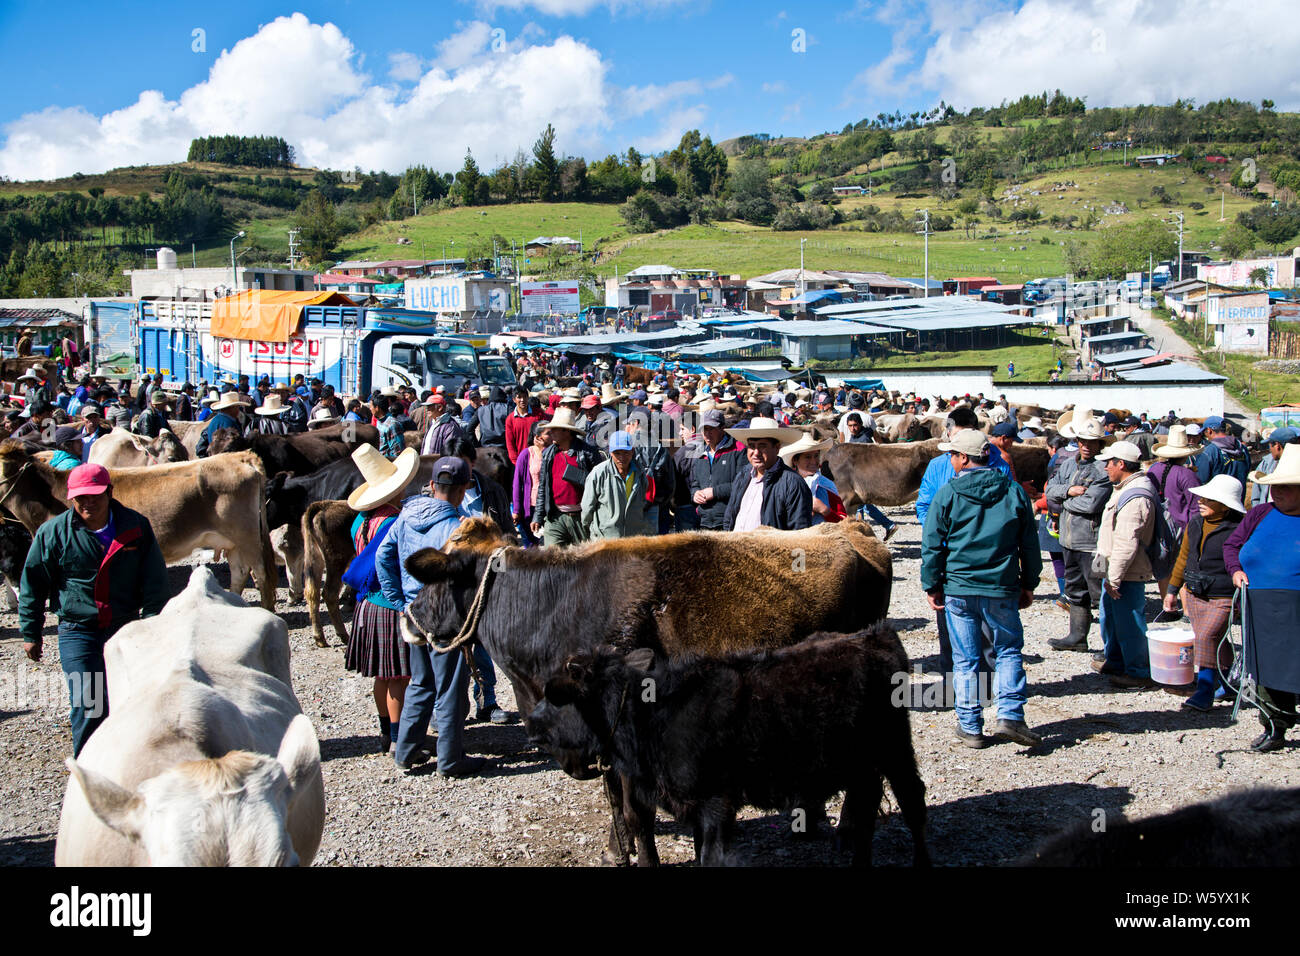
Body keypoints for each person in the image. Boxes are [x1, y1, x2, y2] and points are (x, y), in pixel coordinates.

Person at [18, 463, 169, 755]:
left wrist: (154, 627)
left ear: (110, 493)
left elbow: (155, 582)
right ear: (71, 498)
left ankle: (127, 762)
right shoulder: (53, 533)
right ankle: (88, 770)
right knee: (89, 702)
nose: (88, 502)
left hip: (125, 626)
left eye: (95, 495)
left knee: (130, 698)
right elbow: (33, 582)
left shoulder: (135, 526)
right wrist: (30, 631)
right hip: (77, 629)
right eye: (80, 497)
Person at [920, 429, 1042, 748]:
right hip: (1001, 586)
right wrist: (1029, 583)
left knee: (966, 659)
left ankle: (971, 726)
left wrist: (932, 585)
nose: (950, 460)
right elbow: (1029, 544)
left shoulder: (948, 494)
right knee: (1008, 649)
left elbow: (932, 545)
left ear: (963, 458)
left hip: (958, 588)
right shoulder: (1013, 492)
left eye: (952, 455)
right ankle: (1011, 716)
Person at [376, 457, 485, 777]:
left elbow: (384, 556)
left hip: (414, 613)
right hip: (445, 617)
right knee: (451, 686)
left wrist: (399, 599)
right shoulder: (460, 530)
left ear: (433, 485)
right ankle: (450, 760)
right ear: (465, 488)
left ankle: (406, 751)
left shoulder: (406, 516)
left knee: (421, 682)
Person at [343, 444, 421, 753]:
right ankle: (399, 738)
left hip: (366, 603)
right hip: (388, 604)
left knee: (381, 675)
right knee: (398, 678)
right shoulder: (392, 522)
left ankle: (384, 732)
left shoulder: (359, 521)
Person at [1223, 444, 1300, 752]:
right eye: (1274, 486)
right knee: (1266, 670)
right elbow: (1232, 546)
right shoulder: (1260, 513)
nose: (1276, 492)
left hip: (1296, 607)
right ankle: (1274, 727)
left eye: (1285, 487)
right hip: (1259, 606)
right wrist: (1235, 571)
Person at [1163, 475, 1245, 711]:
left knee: (1207, 637)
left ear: (1224, 504)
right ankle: (1229, 683)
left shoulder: (1240, 528)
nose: (1200, 500)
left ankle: (1205, 689)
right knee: (1216, 639)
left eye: (1209, 498)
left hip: (1224, 594)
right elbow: (1184, 558)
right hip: (1196, 593)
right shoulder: (1196, 522)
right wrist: (1172, 590)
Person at [1044, 413, 1112, 653]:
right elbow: (1050, 490)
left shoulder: (1103, 470)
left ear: (1100, 444)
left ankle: (1112, 646)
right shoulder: (1070, 464)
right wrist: (1070, 491)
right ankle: (1077, 636)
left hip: (1091, 541)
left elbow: (1091, 505)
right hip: (1069, 538)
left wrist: (1063, 501)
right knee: (1074, 589)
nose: (1085, 445)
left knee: (1100, 593)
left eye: (1091, 441)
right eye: (1082, 440)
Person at [1092, 440, 1157, 688]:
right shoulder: (1126, 488)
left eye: (1109, 463)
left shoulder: (1135, 496)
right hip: (1117, 569)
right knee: (1112, 619)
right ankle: (1116, 660)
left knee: (1130, 622)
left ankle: (1138, 671)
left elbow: (1126, 542)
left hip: (1127, 572)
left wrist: (1115, 578)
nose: (1106, 467)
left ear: (1121, 464)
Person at [721, 417, 811, 532]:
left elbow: (799, 531)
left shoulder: (793, 483)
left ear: (777, 448)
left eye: (762, 446)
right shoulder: (743, 475)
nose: (756, 453)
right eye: (752, 446)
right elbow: (730, 515)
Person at [532, 408, 602, 547]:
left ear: (567, 431)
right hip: (555, 517)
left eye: (555, 429)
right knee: (552, 558)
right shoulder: (549, 454)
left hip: (581, 518)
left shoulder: (587, 453)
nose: (551, 432)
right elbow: (543, 487)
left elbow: (600, 486)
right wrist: (538, 515)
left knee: (584, 560)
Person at [582, 429, 652, 540]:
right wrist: (593, 531)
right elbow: (587, 508)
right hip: (605, 540)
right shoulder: (599, 473)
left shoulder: (639, 472)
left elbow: (642, 502)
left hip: (632, 538)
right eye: (617, 453)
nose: (621, 458)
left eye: (626, 452)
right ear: (610, 452)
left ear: (632, 451)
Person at [689, 408, 746, 530]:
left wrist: (715, 492)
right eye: (704, 429)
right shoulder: (700, 453)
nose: (707, 434)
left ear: (722, 428)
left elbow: (742, 484)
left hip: (729, 520)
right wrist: (695, 494)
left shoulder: (738, 449)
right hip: (704, 520)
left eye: (711, 429)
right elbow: (695, 483)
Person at [778, 434, 843, 524]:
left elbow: (844, 521)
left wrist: (825, 511)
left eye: (816, 456)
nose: (813, 461)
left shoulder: (826, 485)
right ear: (795, 460)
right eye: (807, 457)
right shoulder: (785, 485)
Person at [512, 423, 550, 547]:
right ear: (538, 437)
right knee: (532, 547)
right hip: (531, 506)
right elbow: (517, 483)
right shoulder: (525, 455)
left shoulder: (553, 453)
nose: (552, 436)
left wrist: (546, 450)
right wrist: (517, 510)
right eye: (548, 433)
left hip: (549, 506)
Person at [1194, 416, 1249, 486]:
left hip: (1216, 496)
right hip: (1238, 495)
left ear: (1209, 431)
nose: (1205, 436)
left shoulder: (1208, 453)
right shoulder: (1243, 449)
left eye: (1204, 433)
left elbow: (1200, 481)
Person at [1251, 426, 1299, 506]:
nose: (1270, 449)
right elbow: (1256, 495)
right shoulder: (1266, 464)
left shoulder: (1296, 466)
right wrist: (1259, 512)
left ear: (1277, 446)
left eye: (1270, 446)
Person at [196, 393, 248, 457]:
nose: (238, 410)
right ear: (232, 408)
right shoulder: (228, 423)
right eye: (237, 407)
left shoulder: (215, 420)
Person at [505, 386, 540, 465]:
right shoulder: (510, 419)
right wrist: (516, 461)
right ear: (514, 400)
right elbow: (510, 443)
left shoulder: (538, 414)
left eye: (525, 397)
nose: (522, 400)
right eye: (519, 397)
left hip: (537, 458)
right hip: (520, 460)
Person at [421, 393, 464, 458]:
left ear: (439, 407)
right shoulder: (433, 423)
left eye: (430, 406)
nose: (427, 409)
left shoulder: (450, 426)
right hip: (429, 465)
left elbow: (450, 453)